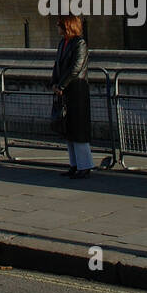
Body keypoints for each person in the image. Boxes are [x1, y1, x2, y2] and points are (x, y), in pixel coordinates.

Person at [51, 15, 93, 179]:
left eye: (59, 25)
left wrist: (61, 85)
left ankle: (86, 166)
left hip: (77, 91)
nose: (58, 28)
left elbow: (76, 67)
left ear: (67, 26)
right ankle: (74, 165)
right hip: (65, 91)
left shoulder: (79, 43)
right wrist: (54, 83)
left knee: (79, 130)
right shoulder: (63, 43)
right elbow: (58, 65)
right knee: (68, 130)